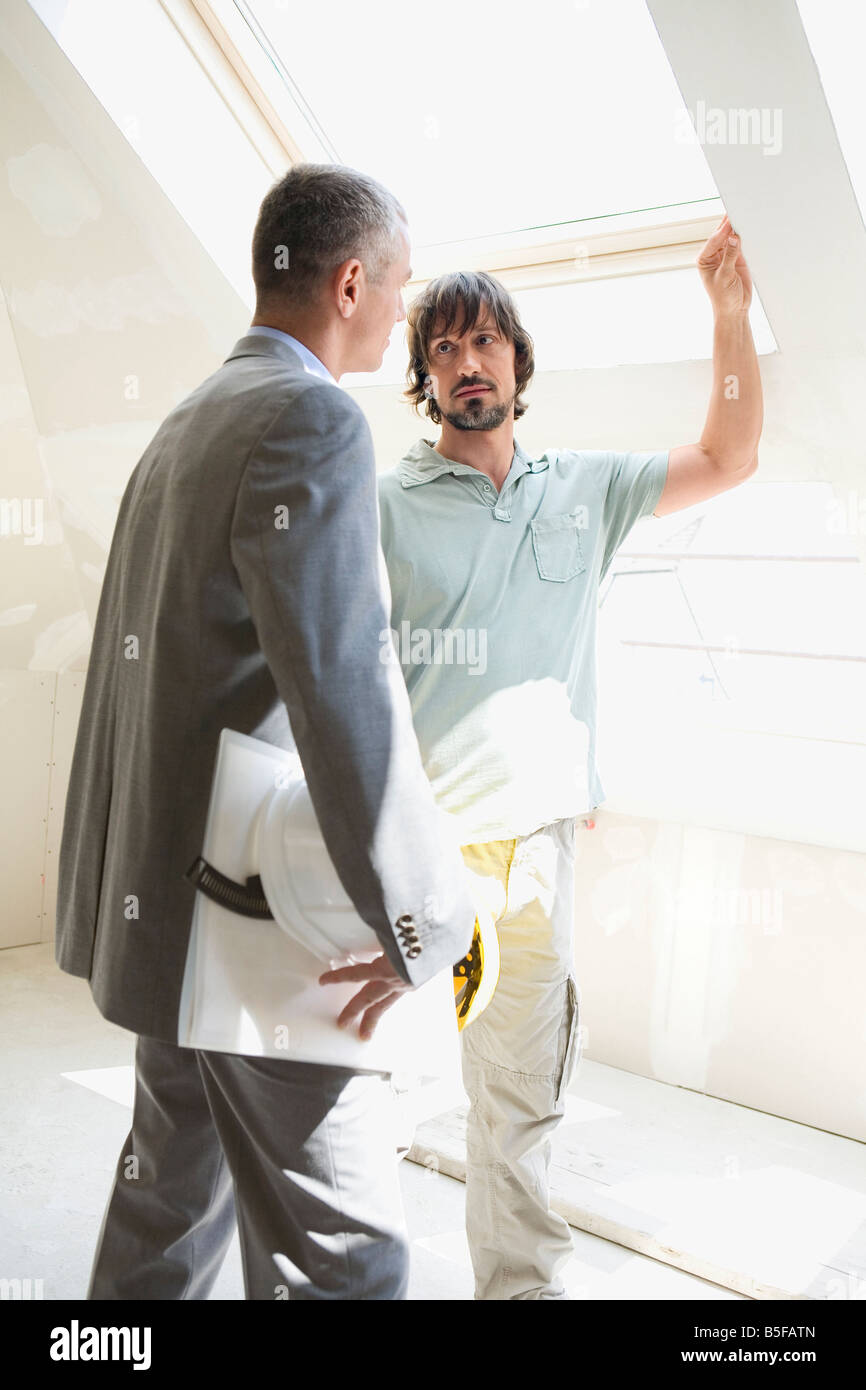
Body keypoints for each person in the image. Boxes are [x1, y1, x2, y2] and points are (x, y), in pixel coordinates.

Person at [54, 163, 476, 1301]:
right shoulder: (311, 418)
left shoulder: (192, 415)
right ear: (349, 283)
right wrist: (424, 914)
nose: (402, 315)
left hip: (164, 904)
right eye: (397, 290)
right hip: (246, 925)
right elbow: (346, 688)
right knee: (344, 1257)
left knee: (166, 1212)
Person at [376, 216, 762, 1299]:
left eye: (482, 343)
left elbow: (729, 456)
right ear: (422, 377)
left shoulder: (580, 488)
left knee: (515, 1100)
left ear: (517, 359)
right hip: (413, 848)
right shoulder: (384, 503)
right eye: (442, 350)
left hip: (533, 851)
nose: (465, 365)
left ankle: (517, 1293)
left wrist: (727, 317)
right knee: (353, 1081)